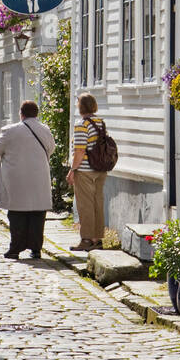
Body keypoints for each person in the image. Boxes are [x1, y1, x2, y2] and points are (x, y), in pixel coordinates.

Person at [0, 100, 56, 261]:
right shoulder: (45, 130)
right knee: (37, 214)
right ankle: (36, 249)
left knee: (17, 214)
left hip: (17, 178)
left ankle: (15, 248)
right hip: (39, 177)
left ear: (21, 114)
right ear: (36, 114)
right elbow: (51, 148)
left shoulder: (10, 131)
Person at [68, 91, 109, 252]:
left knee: (85, 205)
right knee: (98, 204)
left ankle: (86, 239)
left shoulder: (82, 125)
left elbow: (79, 151)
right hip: (100, 168)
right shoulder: (100, 122)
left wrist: (72, 170)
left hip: (85, 169)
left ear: (81, 107)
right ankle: (97, 239)